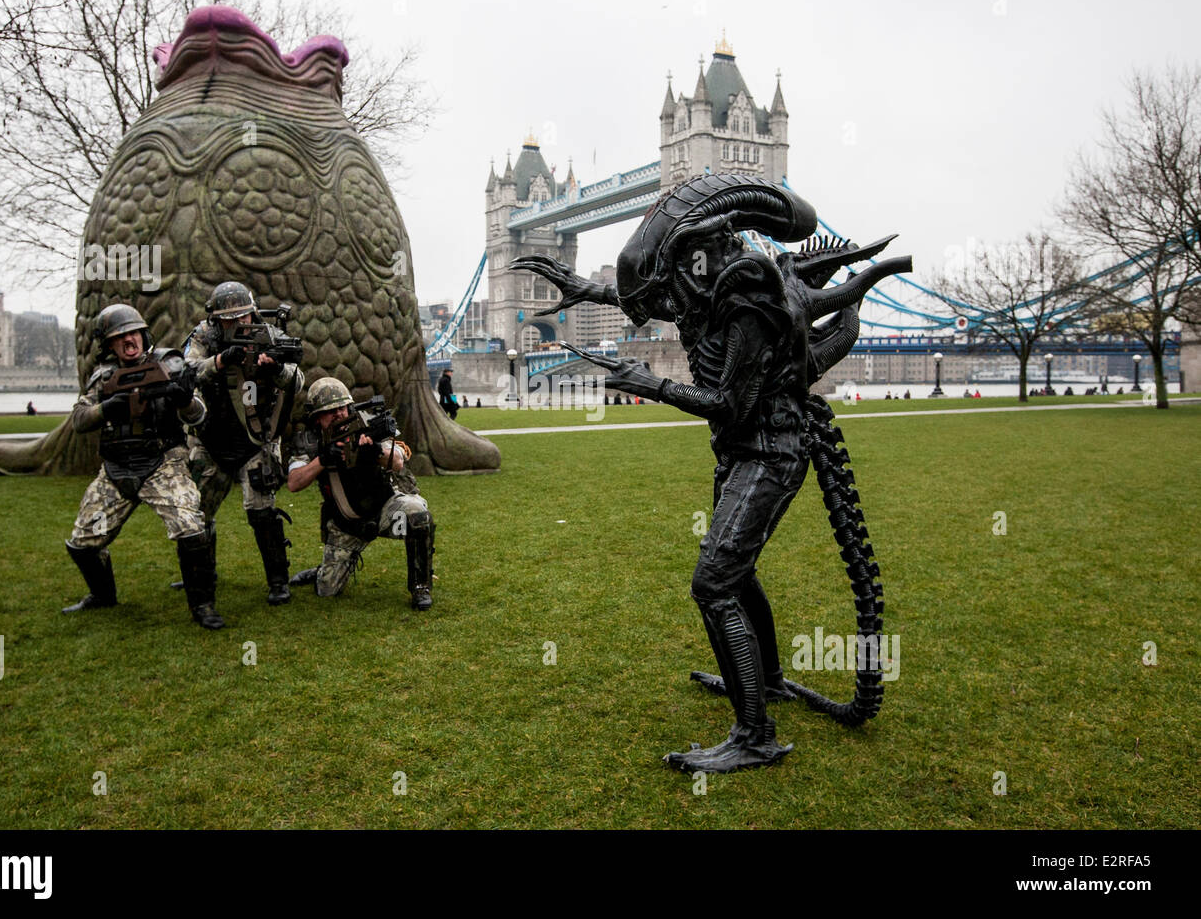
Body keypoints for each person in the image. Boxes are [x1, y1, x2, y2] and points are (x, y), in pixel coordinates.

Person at [512, 173, 908, 774]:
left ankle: (755, 734)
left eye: (685, 265)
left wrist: (653, 384)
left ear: (709, 258)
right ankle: (767, 679)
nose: (676, 283)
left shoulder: (749, 306)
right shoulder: (706, 295)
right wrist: (583, 287)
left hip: (769, 452)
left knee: (714, 584)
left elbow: (729, 403)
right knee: (737, 575)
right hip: (740, 453)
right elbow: (645, 298)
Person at [63, 303, 223, 630]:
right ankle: (103, 595)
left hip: (163, 462)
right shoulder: (102, 377)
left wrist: (182, 399)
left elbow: (199, 415)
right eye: (119, 337)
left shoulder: (171, 364)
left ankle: (203, 605)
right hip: (116, 468)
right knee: (82, 543)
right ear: (109, 345)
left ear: (143, 334)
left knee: (191, 527)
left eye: (132, 333)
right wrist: (108, 408)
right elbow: (79, 420)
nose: (128, 341)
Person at [181, 282, 304, 607]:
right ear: (216, 320)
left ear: (252, 312)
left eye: (244, 317)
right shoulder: (204, 337)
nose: (239, 325)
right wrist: (219, 362)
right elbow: (186, 372)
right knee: (197, 514)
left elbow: (297, 379)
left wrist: (275, 369)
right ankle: (199, 573)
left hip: (255, 439)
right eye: (230, 319)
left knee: (262, 512)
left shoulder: (271, 334)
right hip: (211, 438)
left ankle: (278, 580)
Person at [287, 377, 435, 610]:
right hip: (346, 525)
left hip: (385, 513)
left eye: (342, 408)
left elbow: (397, 461)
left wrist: (375, 451)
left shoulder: (367, 425)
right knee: (327, 591)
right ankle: (323, 571)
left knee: (417, 515)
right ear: (316, 416)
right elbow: (294, 483)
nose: (338, 415)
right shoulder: (309, 441)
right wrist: (323, 460)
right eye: (330, 411)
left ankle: (420, 585)